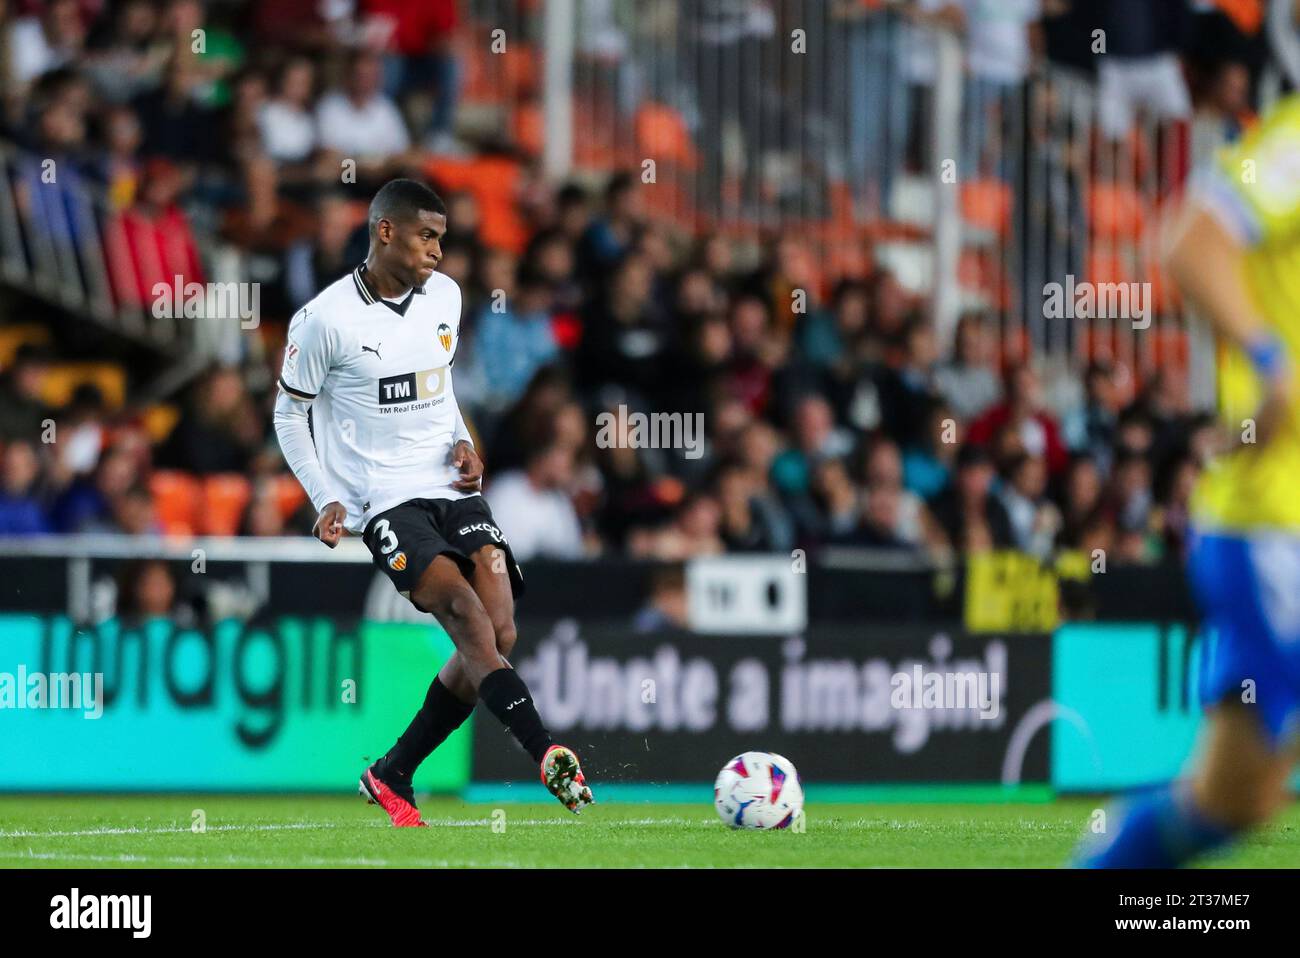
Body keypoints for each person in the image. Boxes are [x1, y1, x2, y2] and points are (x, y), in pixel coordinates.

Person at [272, 178, 593, 827]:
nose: (439, 252)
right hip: (386, 503)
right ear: (385, 231)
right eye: (427, 236)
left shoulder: (445, 297)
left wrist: (464, 443)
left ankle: (392, 772)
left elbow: (437, 387)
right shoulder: (324, 320)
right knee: (469, 621)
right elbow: (289, 411)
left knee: (500, 629)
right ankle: (547, 749)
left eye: (443, 239)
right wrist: (325, 495)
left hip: (450, 487)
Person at [1072, 94, 1300, 867]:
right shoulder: (1295, 141)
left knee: (1235, 801)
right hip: (1278, 525)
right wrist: (1274, 365)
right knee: (1231, 799)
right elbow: (1190, 244)